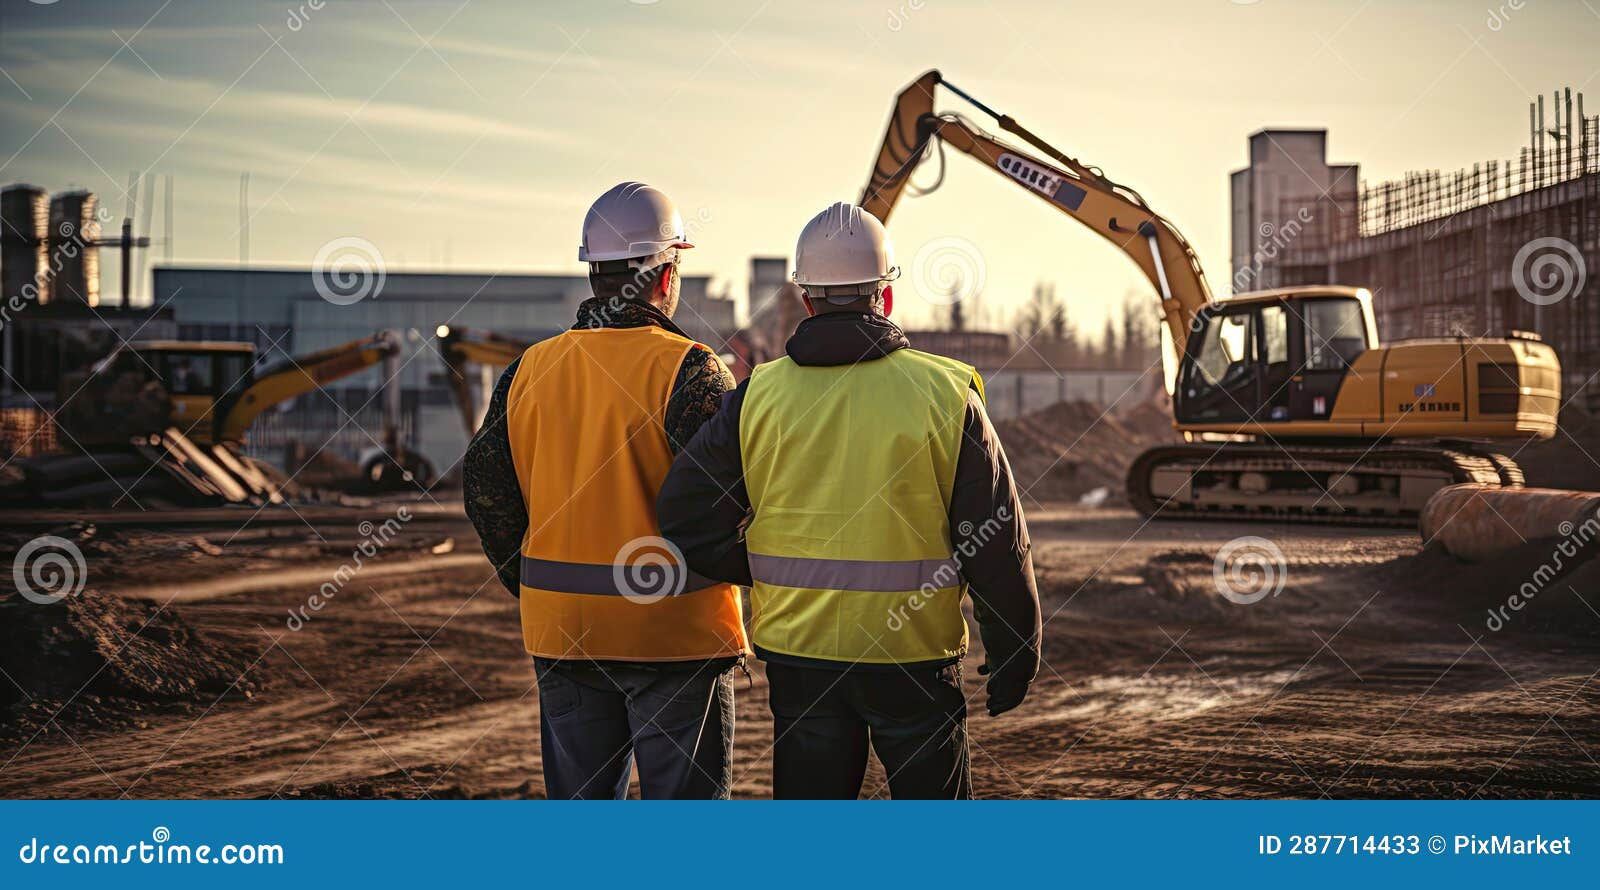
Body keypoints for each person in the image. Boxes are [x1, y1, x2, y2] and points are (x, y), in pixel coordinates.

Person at [657, 202, 1040, 799]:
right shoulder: (944, 392)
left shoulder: (758, 395)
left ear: (806, 299)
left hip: (801, 658)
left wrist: (759, 567)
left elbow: (685, 512)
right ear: (885, 296)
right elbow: (995, 536)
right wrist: (1015, 646)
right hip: (913, 655)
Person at [463, 181, 747, 800]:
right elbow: (732, 500)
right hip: (673, 634)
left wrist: (533, 580)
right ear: (667, 274)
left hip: (564, 631)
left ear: (594, 273)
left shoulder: (528, 370)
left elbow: (486, 493)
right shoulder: (692, 370)